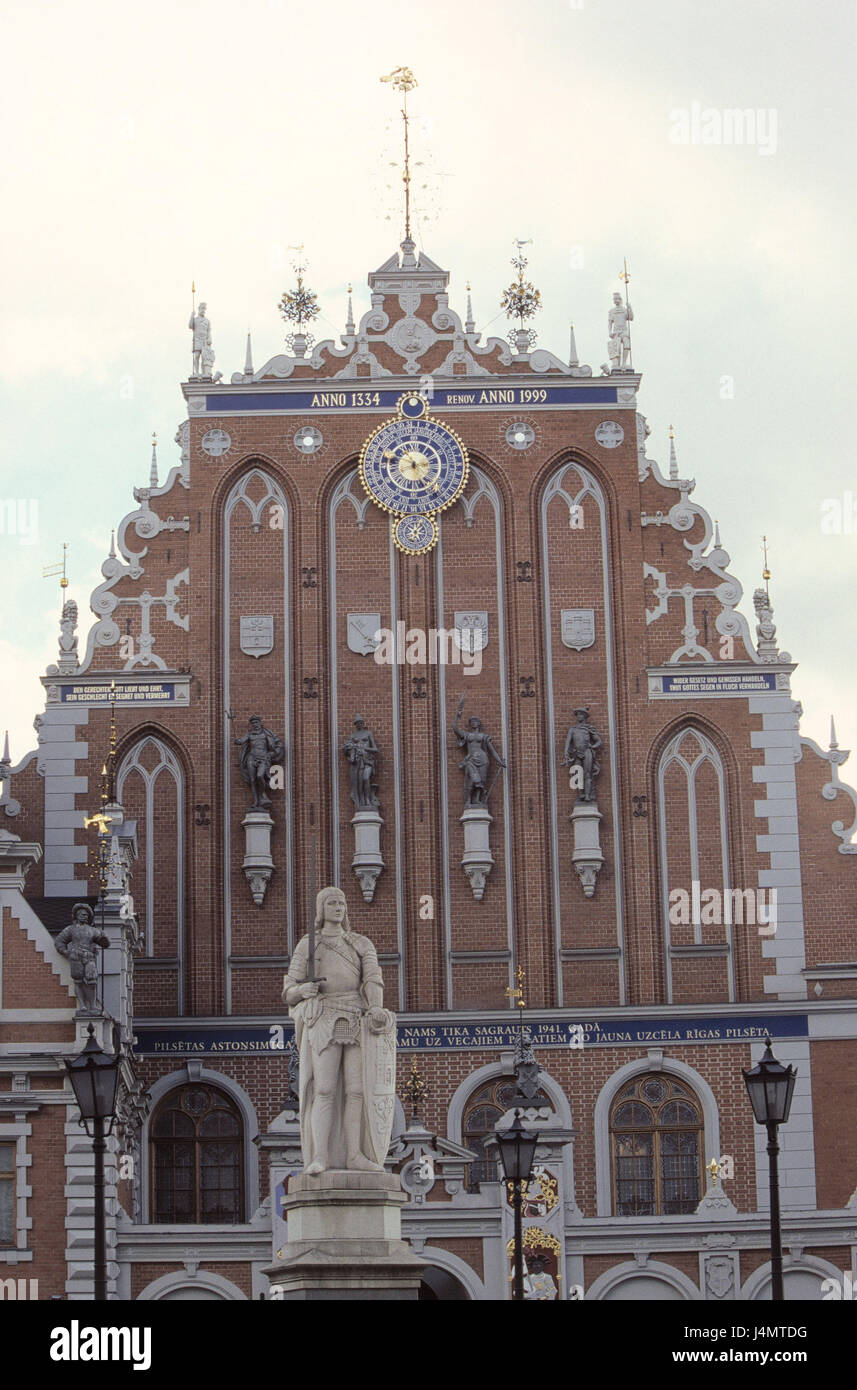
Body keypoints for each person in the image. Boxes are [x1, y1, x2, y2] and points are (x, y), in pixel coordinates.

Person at [282, 886, 395, 1175]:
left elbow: (372, 977)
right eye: (332, 902)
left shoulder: (360, 943)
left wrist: (376, 1007)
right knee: (325, 1088)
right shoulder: (309, 944)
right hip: (325, 1015)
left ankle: (354, 1155)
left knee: (357, 1089)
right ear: (321, 909)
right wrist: (303, 989)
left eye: (342, 903)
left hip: (356, 1015)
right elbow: (288, 990)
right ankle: (320, 1155)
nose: (339, 907)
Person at [55, 904, 109, 1013]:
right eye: (82, 914)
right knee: (78, 981)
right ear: (77, 915)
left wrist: (104, 938)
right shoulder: (70, 929)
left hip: (89, 956)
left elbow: (105, 944)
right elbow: (59, 941)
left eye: (86, 915)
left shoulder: (93, 930)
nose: (85, 916)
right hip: (76, 956)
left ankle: (93, 1005)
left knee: (92, 981)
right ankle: (82, 1005)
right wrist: (67, 953)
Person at [453, 696, 506, 806]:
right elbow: (455, 729)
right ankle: (468, 801)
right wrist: (457, 717)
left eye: (475, 721)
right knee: (471, 780)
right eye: (472, 721)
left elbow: (492, 750)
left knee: (482, 781)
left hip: (483, 760)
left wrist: (499, 761)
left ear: (479, 723)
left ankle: (477, 800)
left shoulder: (484, 736)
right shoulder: (468, 735)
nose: (474, 723)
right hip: (471, 760)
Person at [235, 716, 285, 809]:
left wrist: (272, 754)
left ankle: (263, 794)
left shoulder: (267, 734)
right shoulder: (250, 735)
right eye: (253, 723)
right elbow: (240, 741)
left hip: (263, 758)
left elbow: (278, 744)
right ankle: (256, 801)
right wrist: (237, 741)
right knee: (253, 780)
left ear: (260, 723)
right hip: (252, 758)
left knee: (260, 776)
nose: (255, 725)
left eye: (256, 722)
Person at [562, 707, 602, 803]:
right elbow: (568, 742)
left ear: (584, 716)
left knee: (588, 773)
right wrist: (566, 753)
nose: (579, 716)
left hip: (587, 751)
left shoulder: (589, 729)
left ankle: (588, 795)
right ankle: (581, 794)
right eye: (578, 714)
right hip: (577, 753)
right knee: (578, 773)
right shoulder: (573, 729)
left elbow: (599, 741)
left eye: (581, 714)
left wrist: (592, 747)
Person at [342, 716, 380, 809]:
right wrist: (350, 748)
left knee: (366, 778)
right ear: (355, 724)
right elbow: (345, 750)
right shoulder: (353, 736)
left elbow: (375, 749)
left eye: (360, 722)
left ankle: (367, 799)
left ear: (363, 723)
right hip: (358, 762)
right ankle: (361, 801)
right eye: (357, 723)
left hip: (367, 761)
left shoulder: (368, 733)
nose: (359, 724)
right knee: (358, 782)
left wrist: (363, 747)